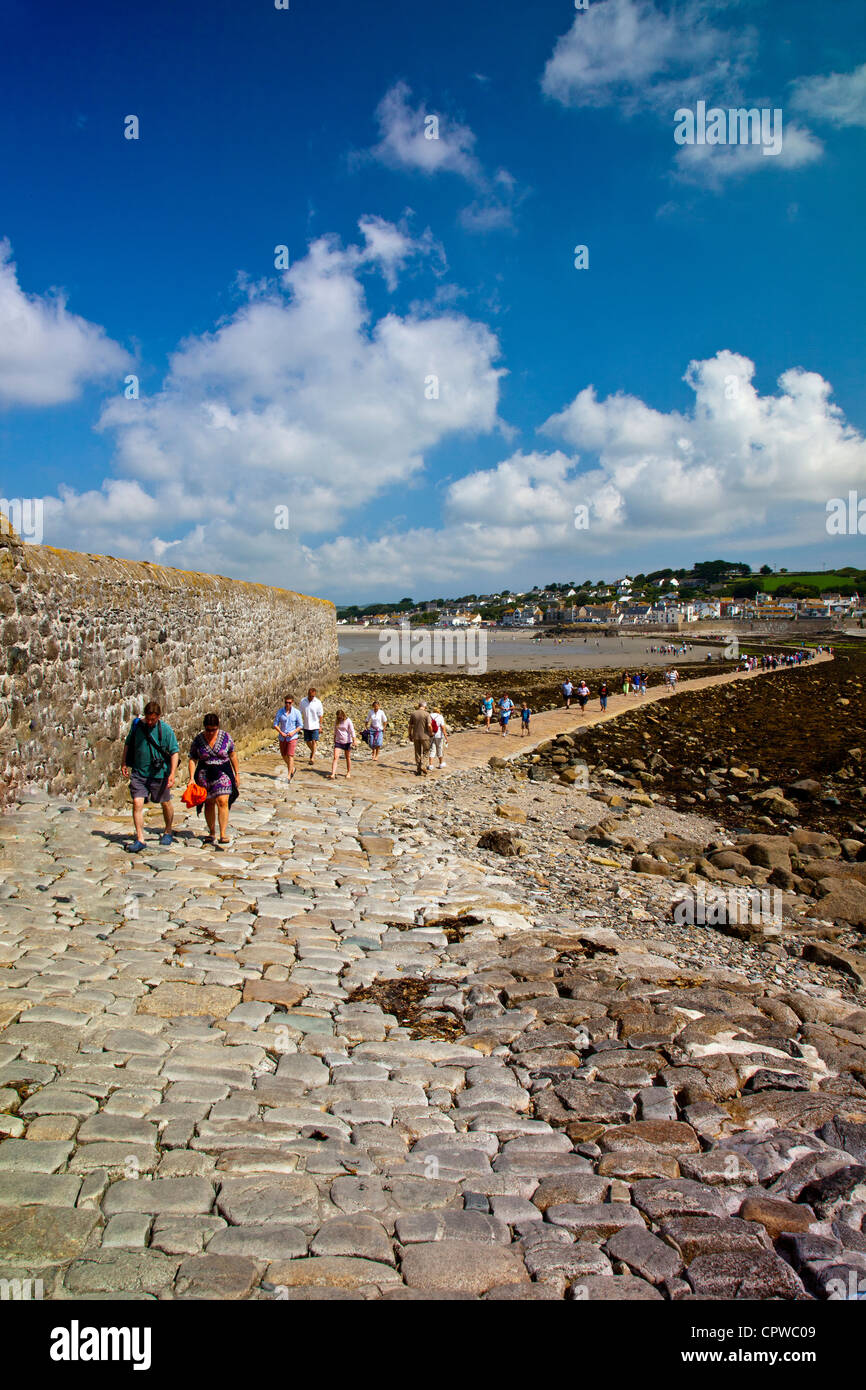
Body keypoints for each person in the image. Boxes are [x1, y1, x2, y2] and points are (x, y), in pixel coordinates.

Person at [121, 700, 179, 853]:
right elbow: (128, 744)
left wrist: (172, 774)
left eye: (153, 719)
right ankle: (140, 838)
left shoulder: (165, 730)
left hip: (159, 774)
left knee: (165, 803)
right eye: (148, 719)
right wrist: (123, 762)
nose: (150, 722)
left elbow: (174, 752)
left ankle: (168, 830)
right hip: (140, 773)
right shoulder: (137, 727)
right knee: (137, 803)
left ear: (159, 716)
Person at [188, 713, 239, 848]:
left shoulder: (226, 738)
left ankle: (223, 834)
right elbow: (193, 758)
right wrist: (191, 777)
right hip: (205, 774)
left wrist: (237, 774)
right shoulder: (199, 740)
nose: (210, 733)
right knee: (209, 802)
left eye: (213, 730)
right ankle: (211, 832)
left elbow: (232, 755)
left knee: (222, 801)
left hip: (223, 772)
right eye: (208, 730)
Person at [274, 694, 302, 784]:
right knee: (283, 755)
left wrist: (293, 732)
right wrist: (281, 732)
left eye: (289, 703)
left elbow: (300, 725)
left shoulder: (296, 712)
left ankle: (289, 775)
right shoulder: (280, 712)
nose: (287, 704)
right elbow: (275, 724)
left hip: (292, 737)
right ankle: (292, 768)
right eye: (286, 702)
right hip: (282, 737)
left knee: (290, 755)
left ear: (292, 702)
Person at [328, 709, 356, 779]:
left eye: (340, 717)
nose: (340, 718)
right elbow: (335, 729)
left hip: (347, 741)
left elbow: (352, 731)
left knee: (347, 757)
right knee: (335, 757)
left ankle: (348, 772)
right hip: (338, 741)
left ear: (343, 715)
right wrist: (334, 737)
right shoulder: (337, 721)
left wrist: (354, 740)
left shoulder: (348, 721)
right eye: (338, 717)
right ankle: (333, 773)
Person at [300, 687, 324, 762]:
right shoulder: (303, 701)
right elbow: (299, 713)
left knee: (314, 741)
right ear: (308, 694)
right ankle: (313, 751)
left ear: (315, 695)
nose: (311, 697)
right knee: (307, 741)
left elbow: (320, 715)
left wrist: (320, 726)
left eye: (313, 696)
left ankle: (312, 758)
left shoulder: (318, 702)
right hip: (306, 725)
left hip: (315, 725)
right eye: (310, 696)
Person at [408, 702, 433, 775]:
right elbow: (429, 725)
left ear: (419, 706)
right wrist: (431, 733)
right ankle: (423, 765)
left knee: (417, 752)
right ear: (425, 707)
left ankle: (419, 769)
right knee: (426, 751)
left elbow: (410, 726)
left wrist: (410, 734)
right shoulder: (427, 714)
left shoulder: (413, 714)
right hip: (425, 736)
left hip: (416, 736)